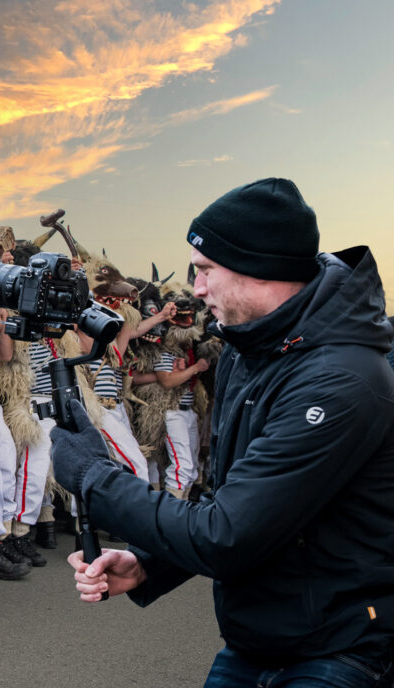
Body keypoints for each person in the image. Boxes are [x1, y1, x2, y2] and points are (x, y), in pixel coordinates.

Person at [51, 178, 394, 686]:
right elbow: (226, 500)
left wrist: (92, 477)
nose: (198, 287)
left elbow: (226, 536)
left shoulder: (340, 380)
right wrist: (148, 565)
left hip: (340, 651)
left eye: (208, 270)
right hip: (256, 641)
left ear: (262, 269)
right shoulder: (247, 347)